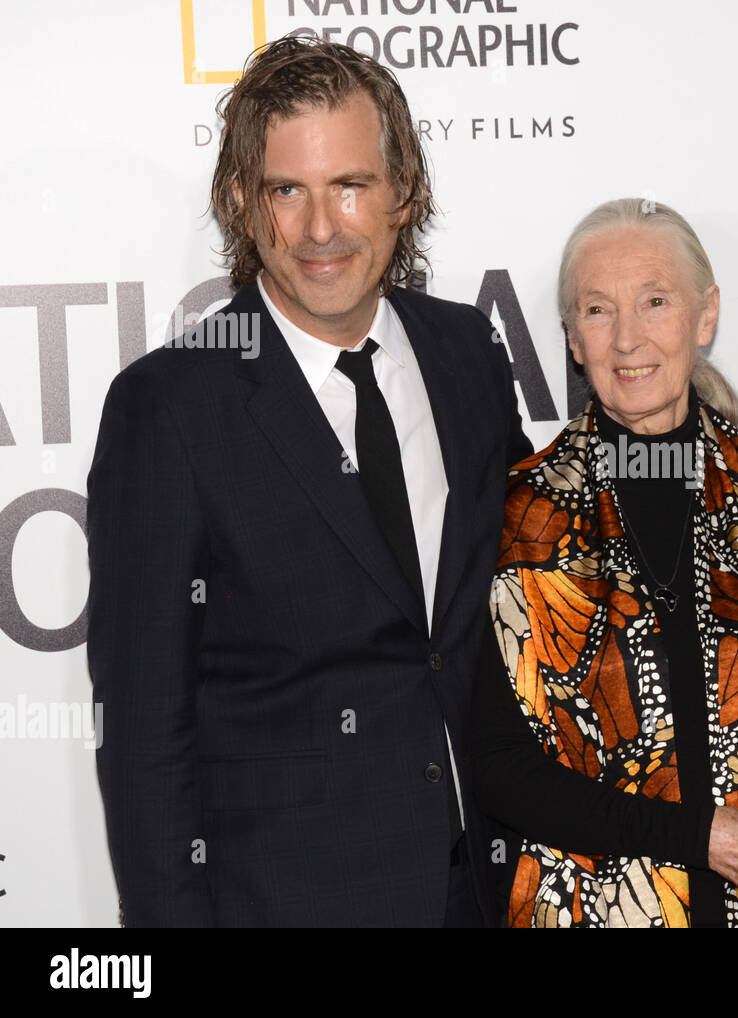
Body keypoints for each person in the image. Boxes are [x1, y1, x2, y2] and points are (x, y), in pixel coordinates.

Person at [86, 36, 530, 926]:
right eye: (288, 190)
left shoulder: (466, 353)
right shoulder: (169, 407)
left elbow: (534, 580)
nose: (321, 229)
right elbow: (143, 737)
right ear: (244, 204)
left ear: (403, 193)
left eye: (350, 186)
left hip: (492, 887)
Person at [472, 198, 738, 927]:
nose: (628, 338)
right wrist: (696, 837)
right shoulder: (516, 518)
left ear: (705, 317)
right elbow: (501, 770)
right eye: (598, 310)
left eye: (655, 301)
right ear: (573, 339)